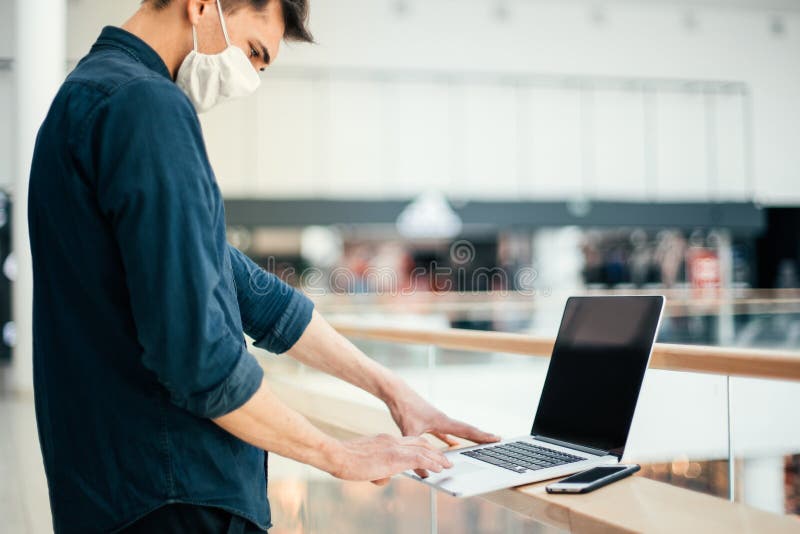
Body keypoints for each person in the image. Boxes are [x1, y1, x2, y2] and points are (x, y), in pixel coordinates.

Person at [27, 0, 500, 532]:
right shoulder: (146, 106)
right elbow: (200, 362)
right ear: (202, 6)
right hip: (175, 497)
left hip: (115, 492)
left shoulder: (85, 98)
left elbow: (252, 293)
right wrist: (340, 455)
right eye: (253, 52)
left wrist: (392, 389)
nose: (249, 77)